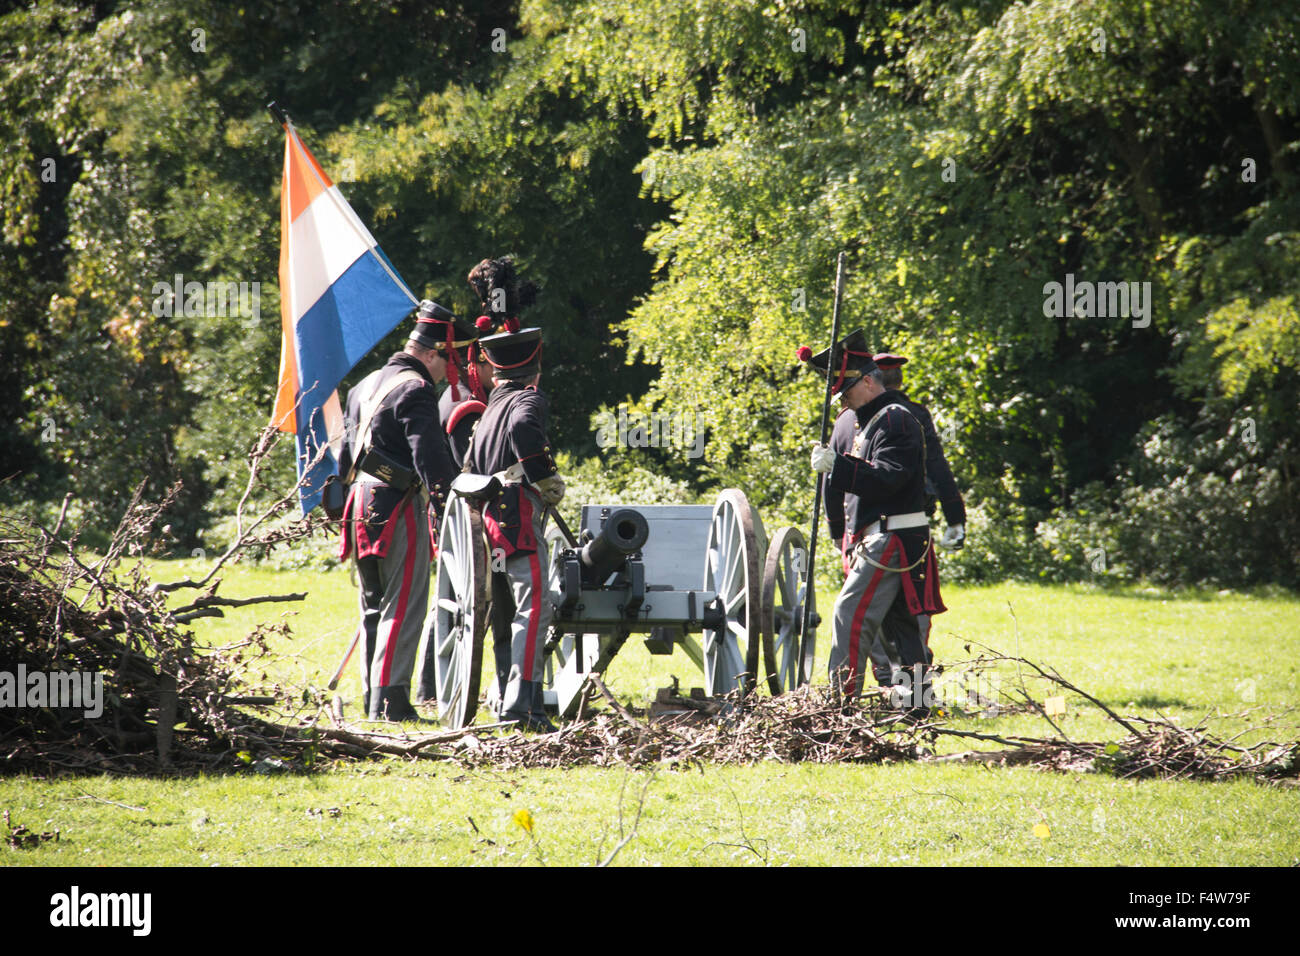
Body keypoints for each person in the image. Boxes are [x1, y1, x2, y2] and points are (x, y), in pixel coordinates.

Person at [802, 330, 946, 709]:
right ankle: (916, 705)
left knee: (849, 615)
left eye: (846, 390)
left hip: (893, 536)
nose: (843, 399)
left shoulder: (896, 421)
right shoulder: (865, 421)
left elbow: (888, 479)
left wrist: (839, 465)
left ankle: (838, 703)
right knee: (900, 629)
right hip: (880, 537)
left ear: (867, 381)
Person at [337, 301, 459, 721]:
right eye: (448, 359)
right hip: (396, 502)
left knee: (372, 603)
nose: (447, 371)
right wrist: (446, 506)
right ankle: (391, 703)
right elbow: (429, 456)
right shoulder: (416, 388)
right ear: (431, 353)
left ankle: (375, 697)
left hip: (359, 502)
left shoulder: (363, 385)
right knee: (403, 602)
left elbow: (346, 455)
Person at [462, 258, 564, 732]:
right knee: (535, 603)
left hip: (490, 522)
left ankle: (509, 696)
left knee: (505, 612)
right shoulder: (526, 400)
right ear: (535, 368)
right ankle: (523, 704)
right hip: (518, 515)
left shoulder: (488, 411)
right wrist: (545, 479)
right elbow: (526, 428)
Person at [874, 351, 966, 665]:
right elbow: (937, 467)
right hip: (913, 525)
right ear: (900, 379)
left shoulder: (852, 415)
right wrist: (955, 516)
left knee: (869, 607)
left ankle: (887, 677)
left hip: (866, 524)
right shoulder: (915, 413)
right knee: (917, 601)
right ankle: (916, 667)